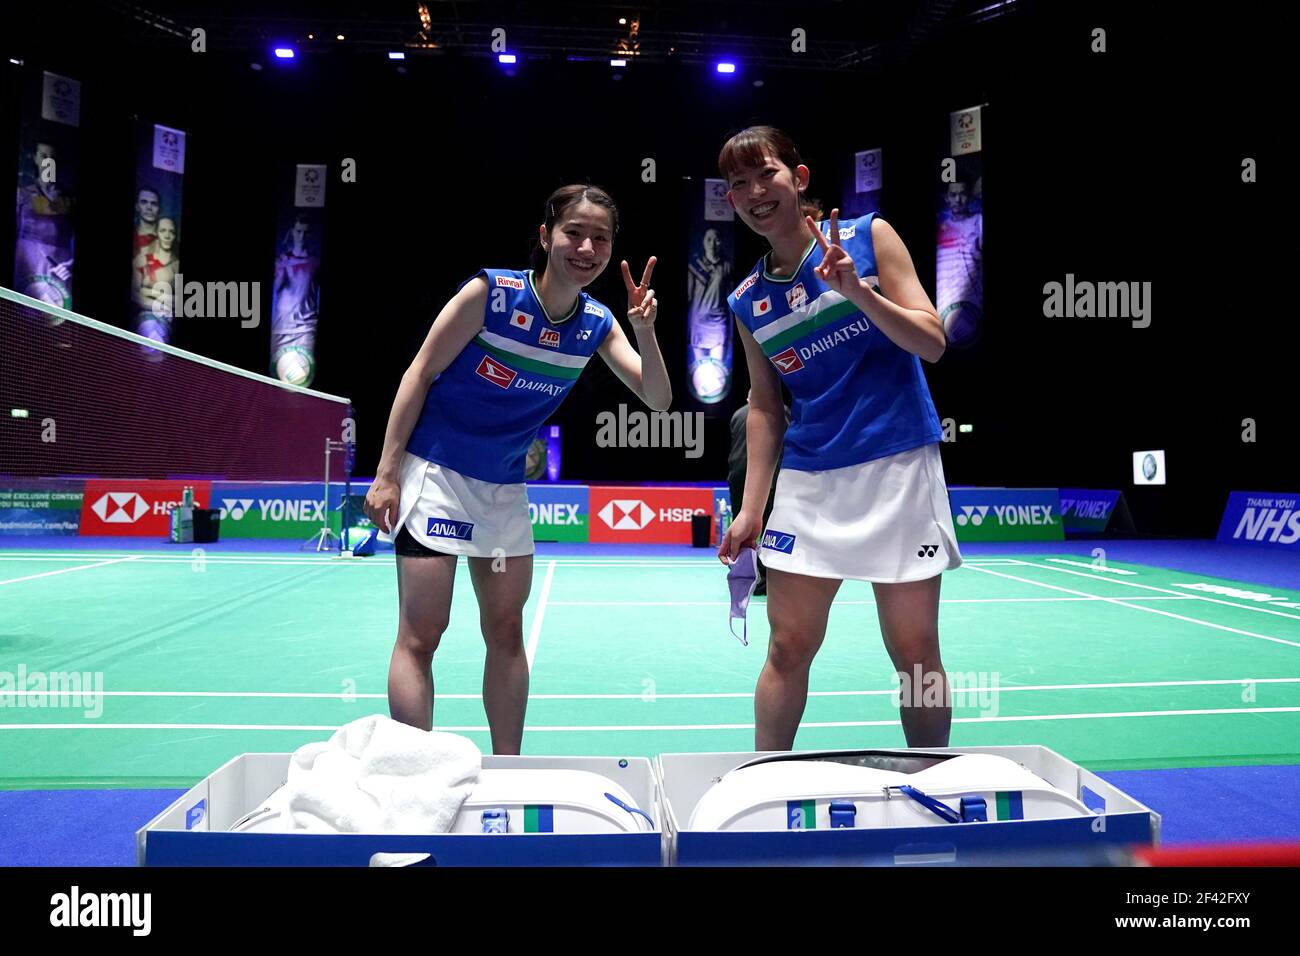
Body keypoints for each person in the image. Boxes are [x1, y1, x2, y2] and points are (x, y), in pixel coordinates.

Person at [364, 184, 670, 754]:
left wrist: (646, 331)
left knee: (506, 632)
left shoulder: (598, 323)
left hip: (504, 489)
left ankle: (509, 768)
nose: (586, 247)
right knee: (422, 635)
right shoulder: (491, 294)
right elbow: (420, 371)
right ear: (545, 236)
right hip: (435, 474)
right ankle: (410, 774)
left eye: (600, 238)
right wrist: (386, 473)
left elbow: (656, 398)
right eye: (574, 233)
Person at [716, 126, 962, 750]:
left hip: (897, 462)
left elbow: (931, 341)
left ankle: (933, 773)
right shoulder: (747, 299)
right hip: (811, 477)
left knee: (914, 651)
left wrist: (858, 292)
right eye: (738, 184)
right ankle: (761, 783)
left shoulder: (868, 238)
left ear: (799, 180)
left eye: (765, 174)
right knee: (788, 642)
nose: (753, 192)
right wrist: (750, 510)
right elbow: (766, 406)